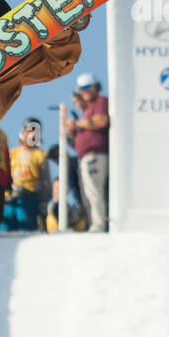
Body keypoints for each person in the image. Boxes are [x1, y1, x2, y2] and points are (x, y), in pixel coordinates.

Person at [66, 73, 110, 232]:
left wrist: (78, 123)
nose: (83, 92)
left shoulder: (101, 102)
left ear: (94, 87)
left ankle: (99, 224)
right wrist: (73, 133)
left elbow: (101, 121)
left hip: (95, 155)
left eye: (85, 88)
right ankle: (95, 223)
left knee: (95, 190)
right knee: (89, 193)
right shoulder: (89, 109)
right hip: (86, 156)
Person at [3, 118, 51, 232]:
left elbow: (46, 183)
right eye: (30, 130)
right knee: (4, 230)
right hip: (9, 199)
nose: (33, 134)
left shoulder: (40, 156)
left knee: (25, 231)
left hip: (29, 199)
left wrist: (42, 203)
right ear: (23, 132)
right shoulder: (11, 153)